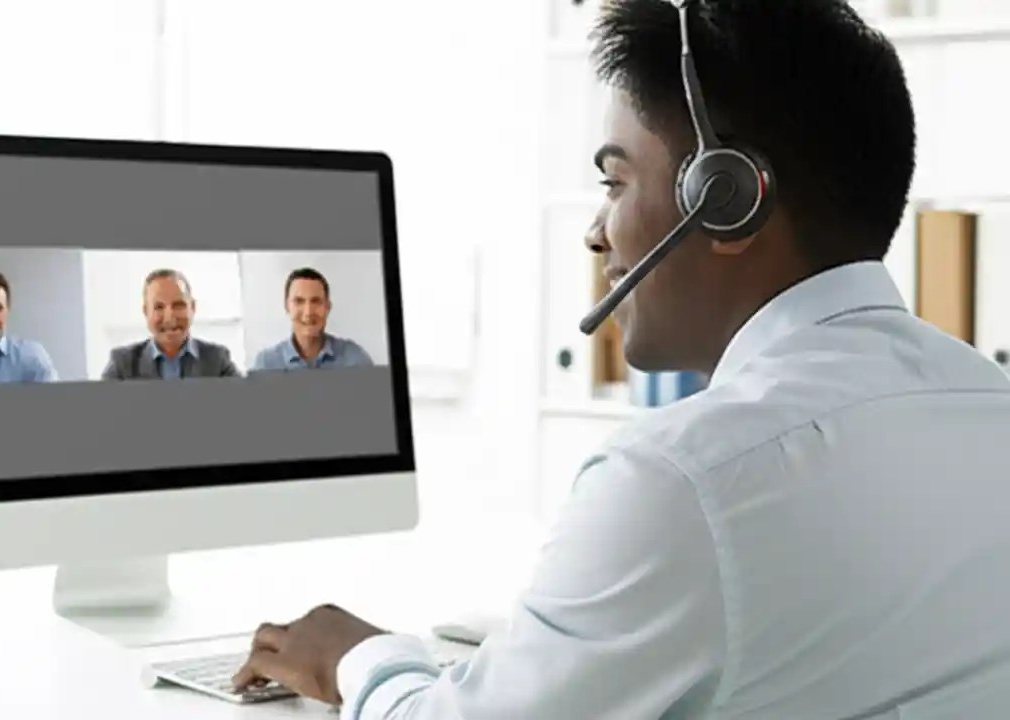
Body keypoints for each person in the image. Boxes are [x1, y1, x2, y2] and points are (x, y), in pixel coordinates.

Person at [230, 1, 1010, 718]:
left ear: (727, 200)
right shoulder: (991, 406)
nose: (596, 231)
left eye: (615, 183)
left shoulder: (681, 481)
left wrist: (358, 658)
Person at [101, 269, 241, 380]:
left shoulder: (218, 360)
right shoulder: (122, 365)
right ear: (146, 312)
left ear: (192, 308)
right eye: (159, 307)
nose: (169, 317)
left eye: (179, 305)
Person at [251, 267, 375, 372]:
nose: (308, 312)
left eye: (316, 301)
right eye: (299, 301)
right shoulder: (265, 365)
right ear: (287, 307)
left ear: (327, 307)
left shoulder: (354, 359)